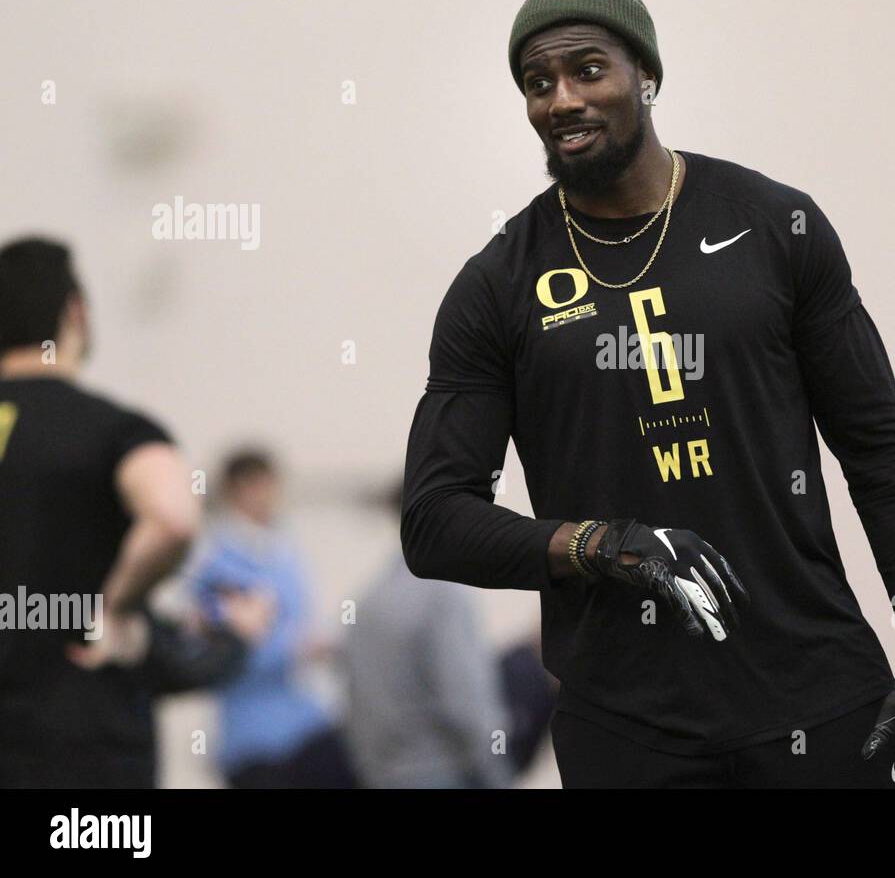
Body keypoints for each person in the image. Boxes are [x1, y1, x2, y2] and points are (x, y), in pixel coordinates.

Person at [401, 0, 895, 788]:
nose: (561, 98)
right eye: (538, 83)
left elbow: (879, 450)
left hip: (817, 696)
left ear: (647, 77)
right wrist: (597, 545)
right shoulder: (497, 284)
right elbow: (433, 519)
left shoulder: (777, 225)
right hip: (628, 727)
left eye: (587, 70)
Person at [0, 235, 201, 787]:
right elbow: (173, 517)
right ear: (75, 312)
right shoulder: (109, 430)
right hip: (85, 749)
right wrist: (115, 606)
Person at [192, 449, 355, 788]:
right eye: (264, 486)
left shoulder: (281, 552)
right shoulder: (218, 566)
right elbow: (225, 653)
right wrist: (295, 648)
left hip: (303, 726)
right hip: (254, 739)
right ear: (241, 489)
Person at [341, 482, 515, 788]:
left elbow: (353, 700)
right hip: (444, 771)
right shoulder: (442, 594)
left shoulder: (369, 600)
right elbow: (465, 697)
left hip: (384, 775)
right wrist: (495, 770)